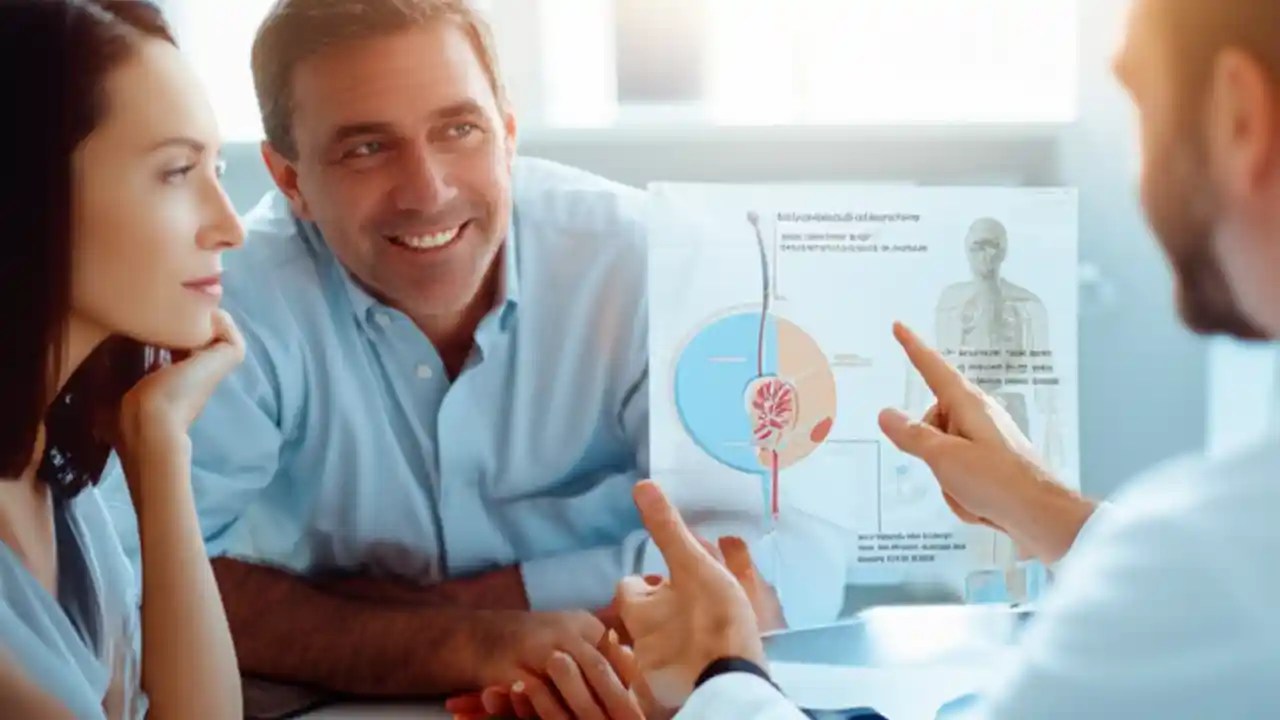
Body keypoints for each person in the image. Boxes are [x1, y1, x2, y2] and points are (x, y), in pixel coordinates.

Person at [617, 0, 1280, 717]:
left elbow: (1209, 582)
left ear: (1238, 116)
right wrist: (1039, 504)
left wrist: (722, 674)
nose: (1139, 176)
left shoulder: (1206, 562)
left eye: (1142, 107)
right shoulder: (1224, 559)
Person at [98, 0, 651, 714]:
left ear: (508, 135)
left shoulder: (642, 262)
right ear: (289, 180)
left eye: (459, 129)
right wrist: (458, 644)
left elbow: (776, 557)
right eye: (366, 148)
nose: (428, 191)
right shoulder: (231, 306)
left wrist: (465, 608)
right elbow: (132, 580)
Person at [0, 1, 246, 718]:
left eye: (217, 166)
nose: (230, 225)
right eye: (176, 172)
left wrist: (159, 445)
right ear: (24, 190)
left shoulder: (56, 475)